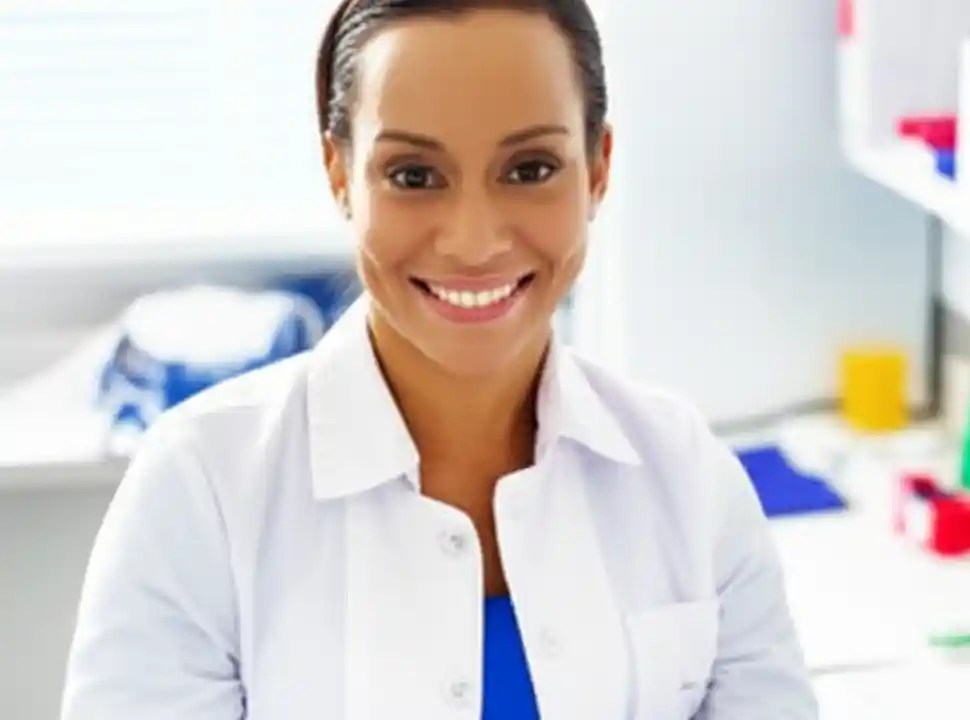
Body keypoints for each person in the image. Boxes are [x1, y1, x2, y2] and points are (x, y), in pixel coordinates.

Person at [61, 1, 817, 717]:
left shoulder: (688, 477)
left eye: (529, 169)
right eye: (414, 177)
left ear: (598, 168)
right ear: (339, 176)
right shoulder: (200, 493)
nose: (474, 240)